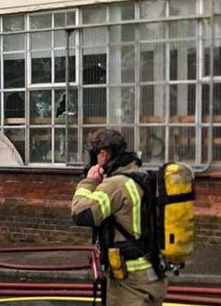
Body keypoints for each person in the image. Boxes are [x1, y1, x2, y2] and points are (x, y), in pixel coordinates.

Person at [71, 129, 168, 306]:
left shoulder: (115, 185)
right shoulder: (141, 176)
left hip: (130, 285)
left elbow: (80, 213)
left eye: (94, 155)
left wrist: (89, 181)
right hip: (152, 274)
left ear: (103, 154)